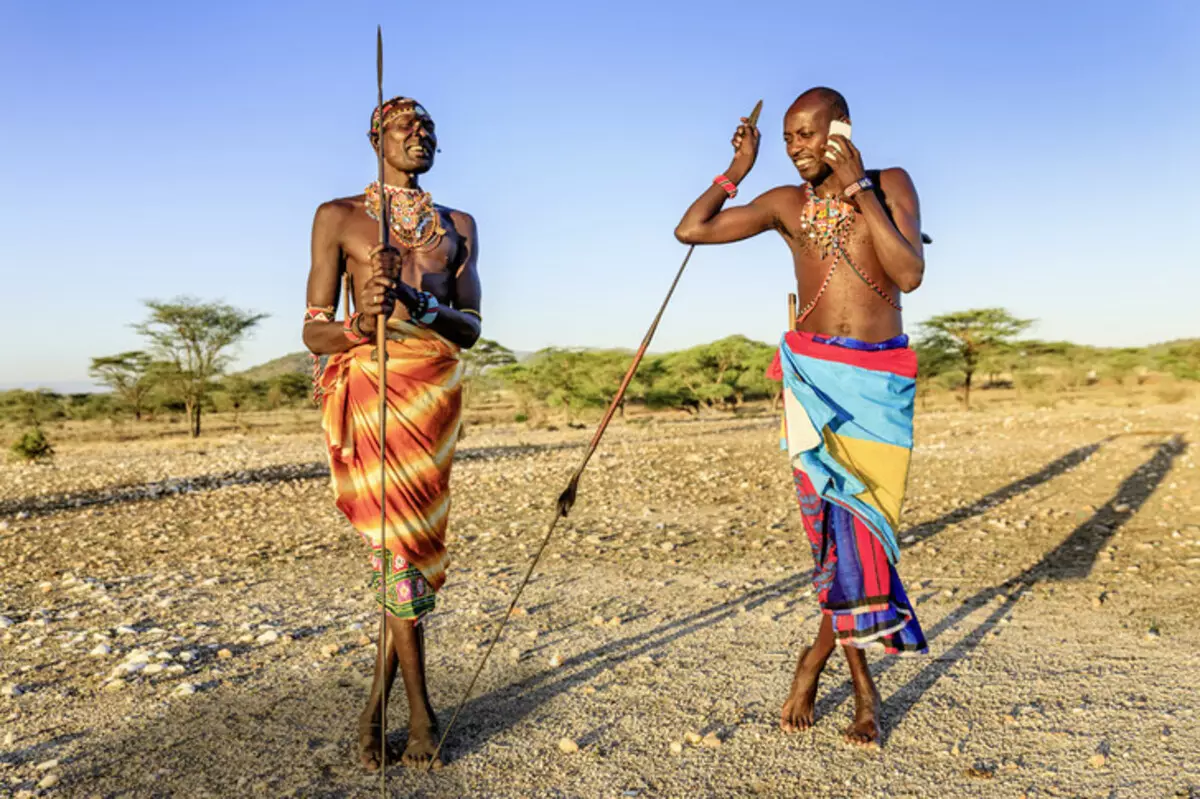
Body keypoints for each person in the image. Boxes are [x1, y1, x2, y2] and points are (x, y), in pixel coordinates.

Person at [675, 87, 928, 747]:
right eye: (789, 138)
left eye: (807, 134)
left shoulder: (892, 183)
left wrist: (859, 189)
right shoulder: (788, 203)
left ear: (839, 130)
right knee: (833, 542)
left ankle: (815, 657)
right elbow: (691, 229)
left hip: (877, 385)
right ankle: (865, 691)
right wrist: (737, 170)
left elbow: (909, 274)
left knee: (866, 535)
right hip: (812, 382)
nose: (797, 148)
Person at [302, 95, 481, 770]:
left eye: (428, 126)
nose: (420, 135)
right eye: (406, 126)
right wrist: (358, 321)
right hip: (372, 387)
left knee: (401, 553)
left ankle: (374, 709)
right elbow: (313, 325)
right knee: (397, 550)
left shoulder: (458, 224)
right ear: (374, 137)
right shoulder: (339, 217)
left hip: (432, 396)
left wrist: (418, 302)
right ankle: (423, 716)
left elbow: (470, 326)